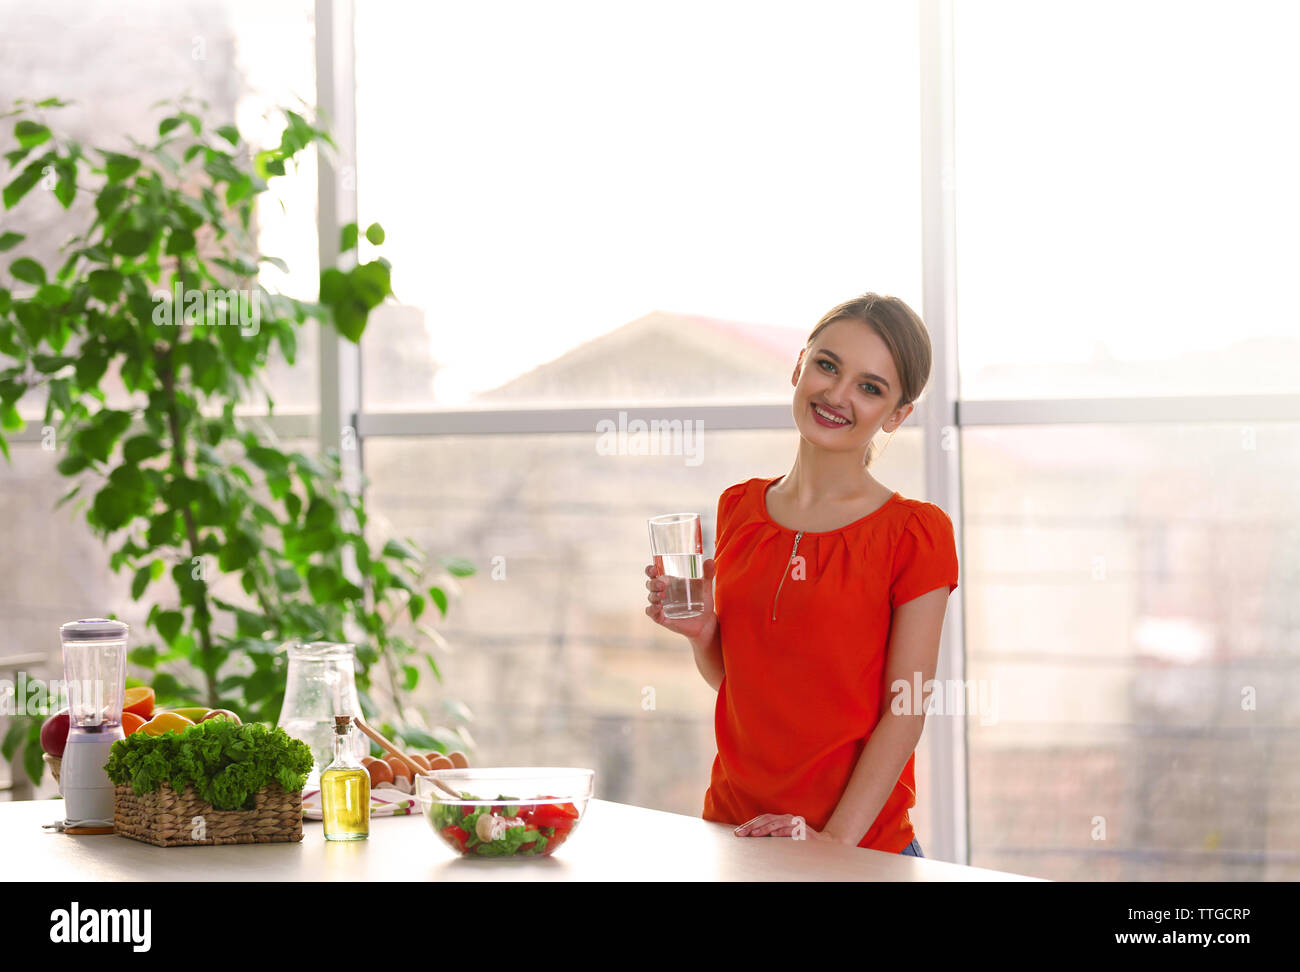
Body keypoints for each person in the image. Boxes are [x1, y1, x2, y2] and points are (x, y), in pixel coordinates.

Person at [644, 292, 958, 857]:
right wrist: (704, 634)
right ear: (799, 364)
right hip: (735, 835)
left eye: (870, 387)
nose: (837, 395)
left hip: (855, 849)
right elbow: (745, 689)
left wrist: (833, 843)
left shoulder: (915, 533)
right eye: (828, 365)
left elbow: (905, 708)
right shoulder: (738, 506)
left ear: (897, 415)